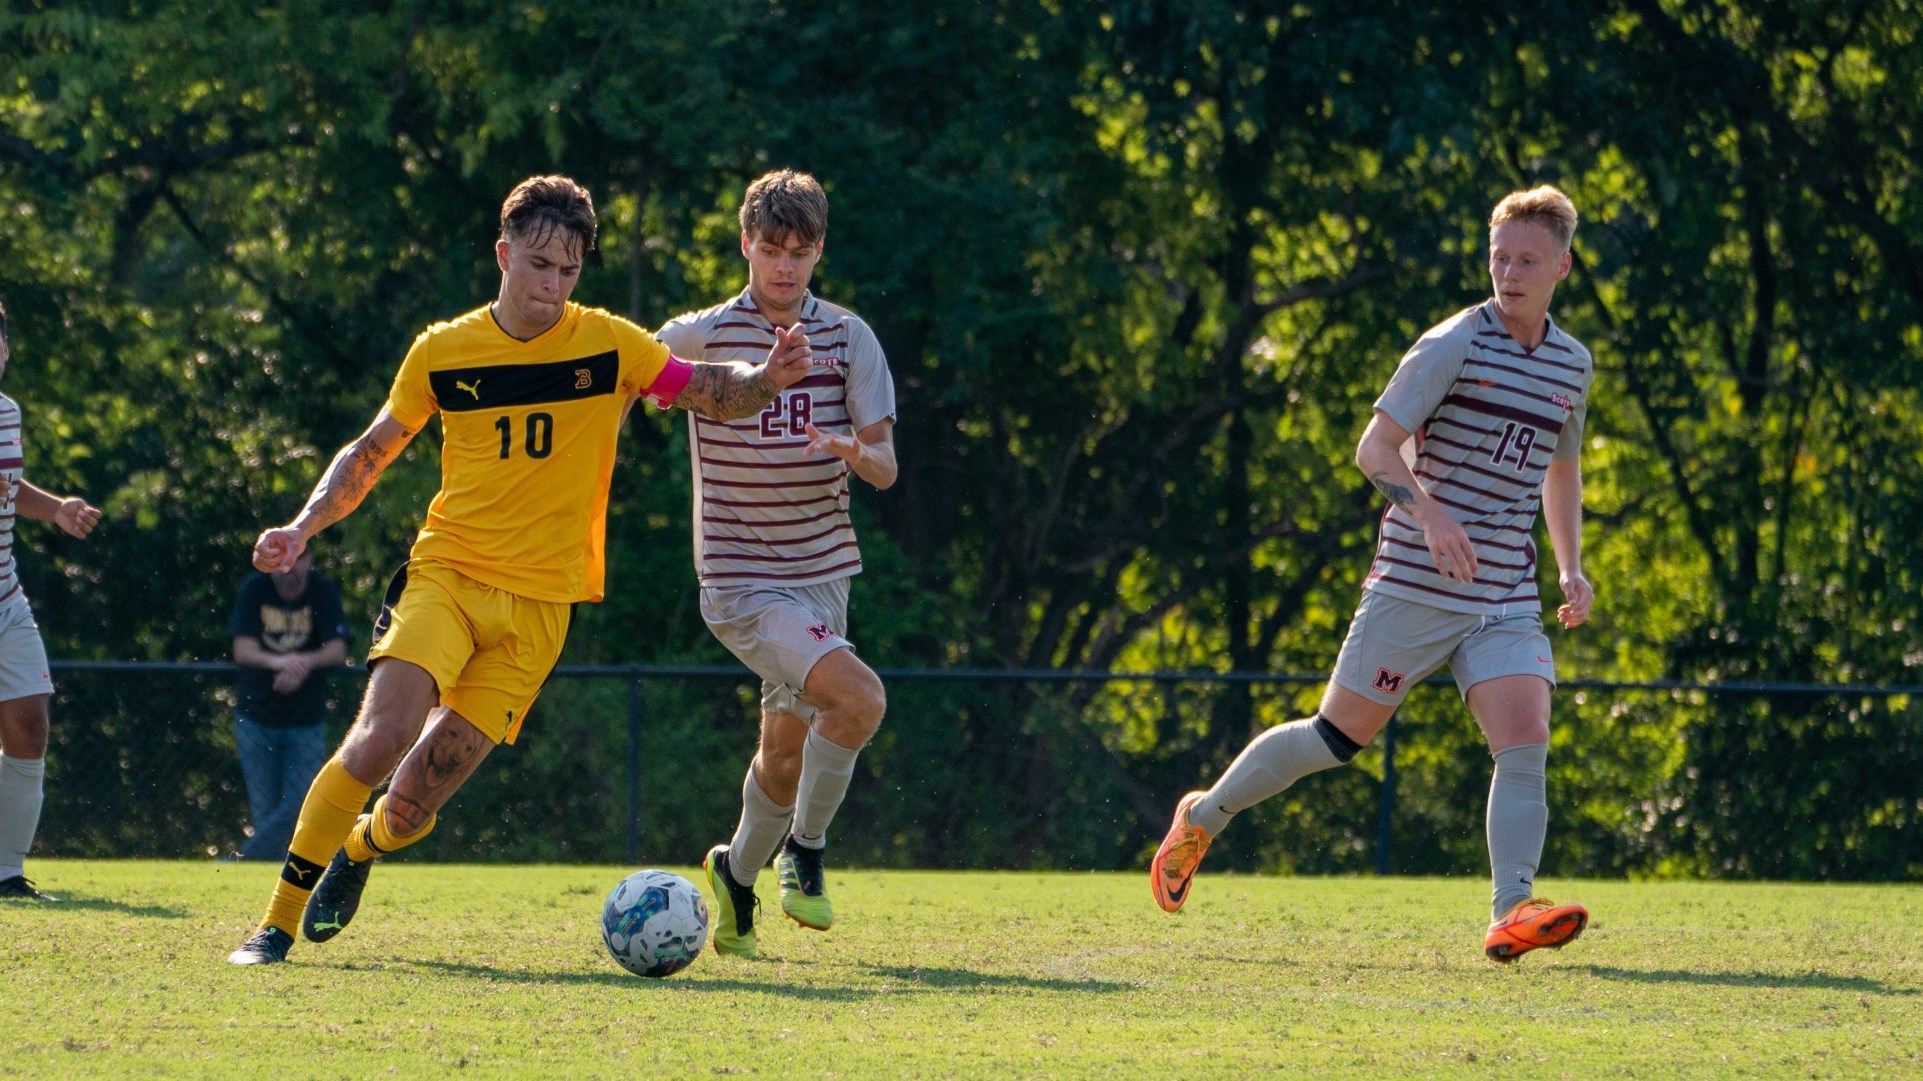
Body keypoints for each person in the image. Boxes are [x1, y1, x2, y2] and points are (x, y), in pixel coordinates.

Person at [226, 175, 815, 964]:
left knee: (412, 799)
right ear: (503, 254)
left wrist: (767, 380)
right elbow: (370, 452)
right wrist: (302, 526)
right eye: (538, 264)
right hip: (448, 575)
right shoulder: (443, 349)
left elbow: (710, 391)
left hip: (542, 605)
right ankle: (275, 923)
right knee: (381, 736)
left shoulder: (611, 344)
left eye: (568, 271)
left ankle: (359, 851)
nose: (552, 284)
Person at [1150, 186, 1597, 963]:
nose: (1509, 271)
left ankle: (1510, 911)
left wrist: (1569, 566)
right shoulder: (1452, 342)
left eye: (1527, 259)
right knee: (1333, 740)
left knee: (1524, 737)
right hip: (1414, 582)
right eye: (1499, 256)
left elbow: (1562, 468)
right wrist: (1428, 513)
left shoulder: (1570, 362)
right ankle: (1203, 817)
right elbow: (1374, 449)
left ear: (1562, 265)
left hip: (1502, 591)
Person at [656, 170, 896, 959]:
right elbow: (630, 373)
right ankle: (808, 851)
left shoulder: (848, 337)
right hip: (740, 580)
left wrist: (850, 448)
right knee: (859, 700)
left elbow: (887, 467)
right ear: (744, 244)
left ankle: (733, 872)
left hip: (822, 571)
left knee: (785, 754)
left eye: (800, 251)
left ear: (819, 249)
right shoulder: (702, 335)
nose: (784, 267)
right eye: (770, 249)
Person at [0, 296, 104, 901]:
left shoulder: (8, 413)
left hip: (5, 592)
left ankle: (6, 873)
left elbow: (8, 487)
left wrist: (55, 508)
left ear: (7, 350)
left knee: (30, 722)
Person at [228, 547, 350, 860]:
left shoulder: (322, 590)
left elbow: (337, 650)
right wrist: (283, 664)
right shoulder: (255, 589)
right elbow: (243, 650)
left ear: (309, 560)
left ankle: (241, 860)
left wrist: (302, 664)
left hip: (306, 721)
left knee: (300, 803)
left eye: (294, 561)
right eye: (280, 563)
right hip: (256, 718)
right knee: (265, 811)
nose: (287, 570)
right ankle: (265, 878)